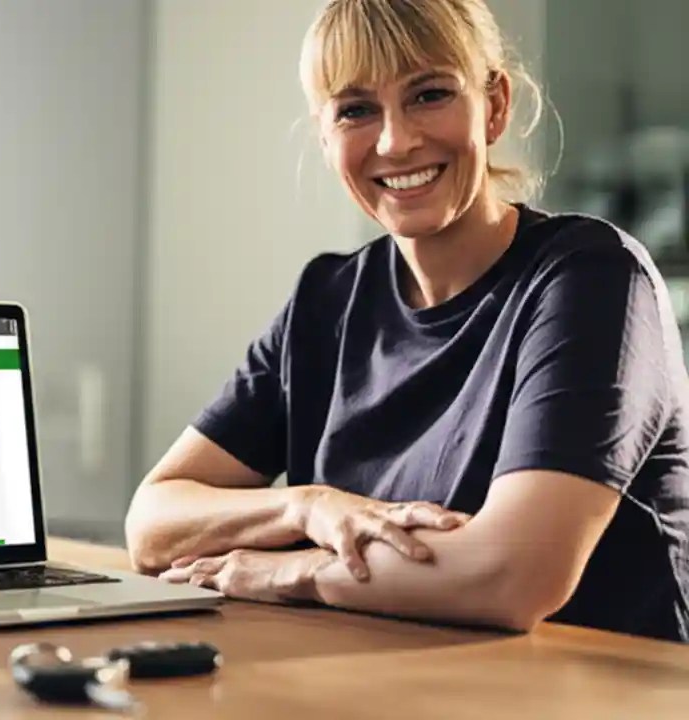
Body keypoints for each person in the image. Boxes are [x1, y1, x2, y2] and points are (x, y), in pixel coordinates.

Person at [125, 0, 689, 642]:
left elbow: (514, 575)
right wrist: (308, 506)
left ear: (495, 105)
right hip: (392, 678)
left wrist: (298, 572)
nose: (395, 141)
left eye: (428, 94)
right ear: (326, 134)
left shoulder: (590, 278)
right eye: (356, 110)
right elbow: (153, 523)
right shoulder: (327, 299)